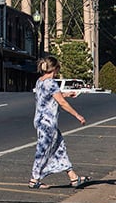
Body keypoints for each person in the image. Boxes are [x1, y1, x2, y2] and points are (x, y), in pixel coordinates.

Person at [29, 55, 90, 189]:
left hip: (40, 121)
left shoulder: (40, 81)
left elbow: (52, 95)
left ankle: (73, 177)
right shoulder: (51, 83)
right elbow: (61, 102)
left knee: (59, 148)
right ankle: (35, 179)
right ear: (55, 69)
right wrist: (77, 115)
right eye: (58, 69)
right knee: (43, 150)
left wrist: (67, 94)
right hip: (47, 123)